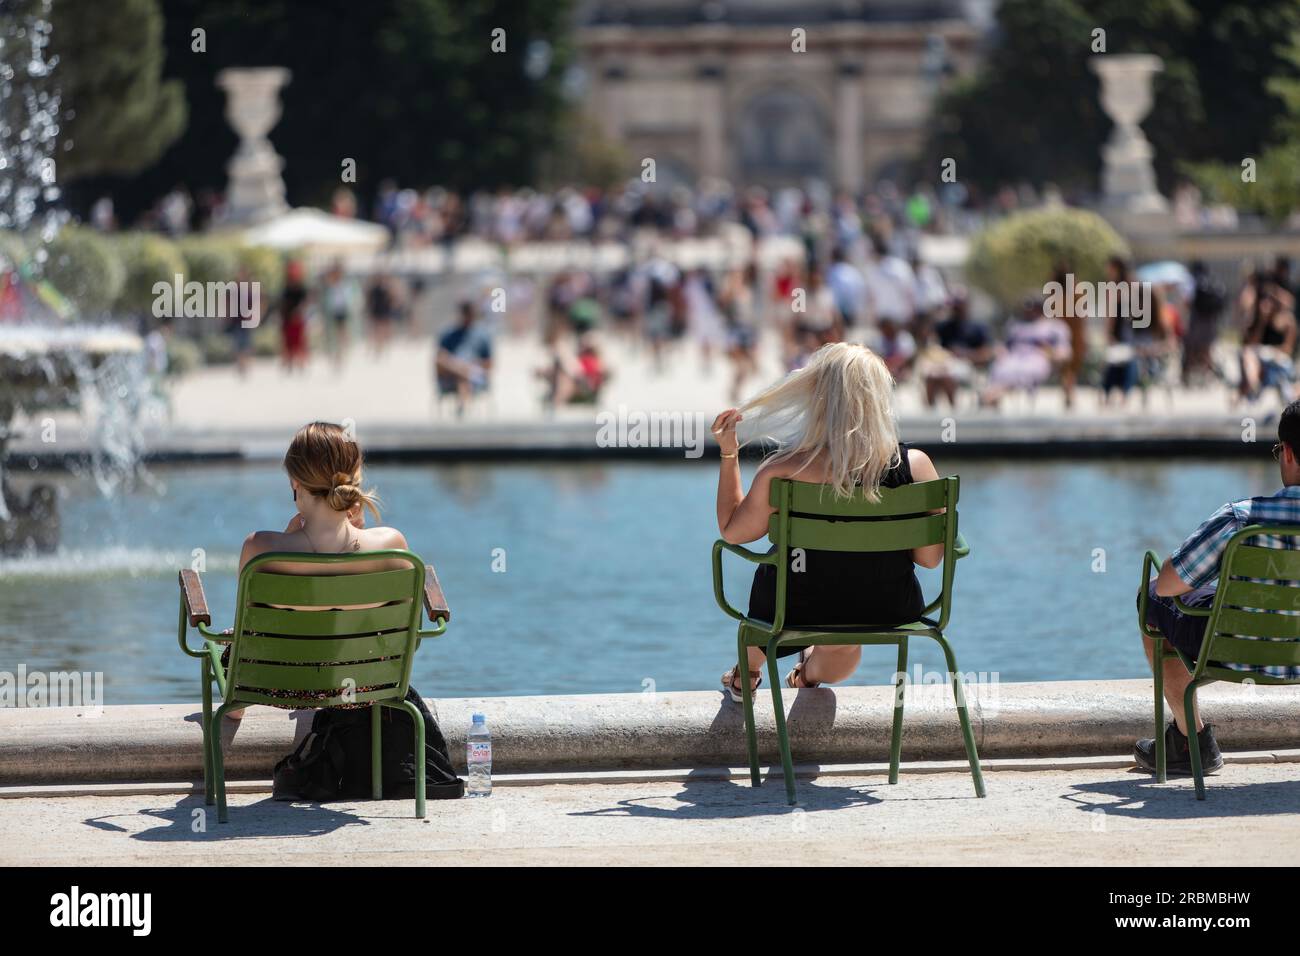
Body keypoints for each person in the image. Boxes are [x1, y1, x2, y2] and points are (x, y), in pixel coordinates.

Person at [712, 342, 946, 700]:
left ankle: (748, 671)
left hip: (793, 608)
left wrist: (730, 454)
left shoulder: (785, 469)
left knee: (795, 595)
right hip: (885, 609)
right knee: (843, 638)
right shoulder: (916, 466)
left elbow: (732, 531)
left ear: (819, 399)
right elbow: (930, 559)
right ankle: (803, 676)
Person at [1136, 401, 1300, 774]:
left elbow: (1168, 584)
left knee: (1152, 594)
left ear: (1288, 452)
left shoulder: (1242, 517)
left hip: (1242, 651)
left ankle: (1190, 740)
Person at [226, 421, 412, 719]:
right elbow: (405, 641)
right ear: (354, 482)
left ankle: (238, 708)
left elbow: (250, 638)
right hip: (368, 685)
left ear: (295, 483)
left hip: (280, 685)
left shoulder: (260, 550)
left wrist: (288, 537)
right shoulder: (393, 546)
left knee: (233, 639)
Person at [435, 299, 493, 414]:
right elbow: (440, 359)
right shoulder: (448, 334)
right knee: (458, 371)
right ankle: (463, 403)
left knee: (465, 376)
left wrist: (471, 365)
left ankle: (462, 404)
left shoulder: (482, 335)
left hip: (474, 372)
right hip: (452, 371)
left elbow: (489, 363)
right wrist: (459, 366)